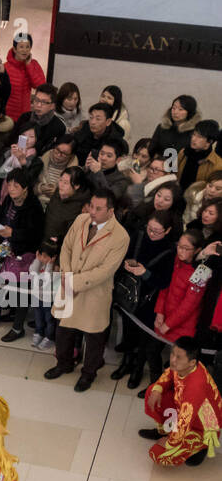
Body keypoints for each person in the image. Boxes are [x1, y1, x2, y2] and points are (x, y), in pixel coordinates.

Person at [46, 189, 130, 391]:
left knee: (94, 336)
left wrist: (74, 281)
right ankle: (63, 363)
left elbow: (106, 270)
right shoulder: (81, 220)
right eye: (91, 206)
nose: (92, 211)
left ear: (110, 211)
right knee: (64, 329)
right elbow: (66, 247)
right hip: (68, 283)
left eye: (98, 209)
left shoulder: (120, 236)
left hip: (94, 293)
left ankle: (88, 373)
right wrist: (66, 275)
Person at [123, 231, 205, 387]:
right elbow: (164, 287)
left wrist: (168, 324)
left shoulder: (202, 271)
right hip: (164, 317)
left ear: (197, 250)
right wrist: (159, 312)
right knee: (150, 350)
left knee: (178, 361)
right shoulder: (174, 260)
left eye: (186, 248)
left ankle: (173, 389)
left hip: (182, 324)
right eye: (179, 246)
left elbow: (189, 305)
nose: (180, 251)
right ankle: (156, 385)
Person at [139, 337, 221, 466]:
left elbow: (185, 421)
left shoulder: (196, 387)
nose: (172, 359)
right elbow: (169, 374)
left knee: (157, 454)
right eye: (172, 354)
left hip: (199, 427)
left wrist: (170, 442)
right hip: (182, 408)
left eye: (178, 357)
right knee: (153, 391)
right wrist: (158, 389)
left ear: (192, 362)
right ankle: (164, 431)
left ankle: (201, 447)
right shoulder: (185, 366)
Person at [0, 171, 47, 338]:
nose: (11, 188)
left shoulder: (33, 206)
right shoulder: (9, 200)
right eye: (9, 184)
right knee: (4, 282)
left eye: (16, 185)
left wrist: (13, 233)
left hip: (25, 253)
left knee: (21, 289)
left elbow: (35, 233)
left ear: (25, 188)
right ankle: (3, 313)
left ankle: (17, 327)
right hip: (8, 248)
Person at [11, 83, 65, 156]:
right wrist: (20, 148)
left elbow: (51, 152)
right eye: (36, 100)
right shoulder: (25, 117)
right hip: (17, 155)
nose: (38, 105)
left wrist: (35, 151)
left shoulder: (58, 127)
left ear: (53, 106)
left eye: (44, 102)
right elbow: (12, 139)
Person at [148, 95, 201, 161]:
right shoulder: (162, 127)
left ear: (190, 112)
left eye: (180, 109)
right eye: (173, 108)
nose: (175, 112)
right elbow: (151, 149)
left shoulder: (195, 132)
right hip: (160, 167)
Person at [181, 120, 222, 190]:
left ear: (209, 142)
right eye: (193, 134)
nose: (193, 139)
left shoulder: (217, 164)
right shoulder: (183, 152)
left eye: (199, 137)